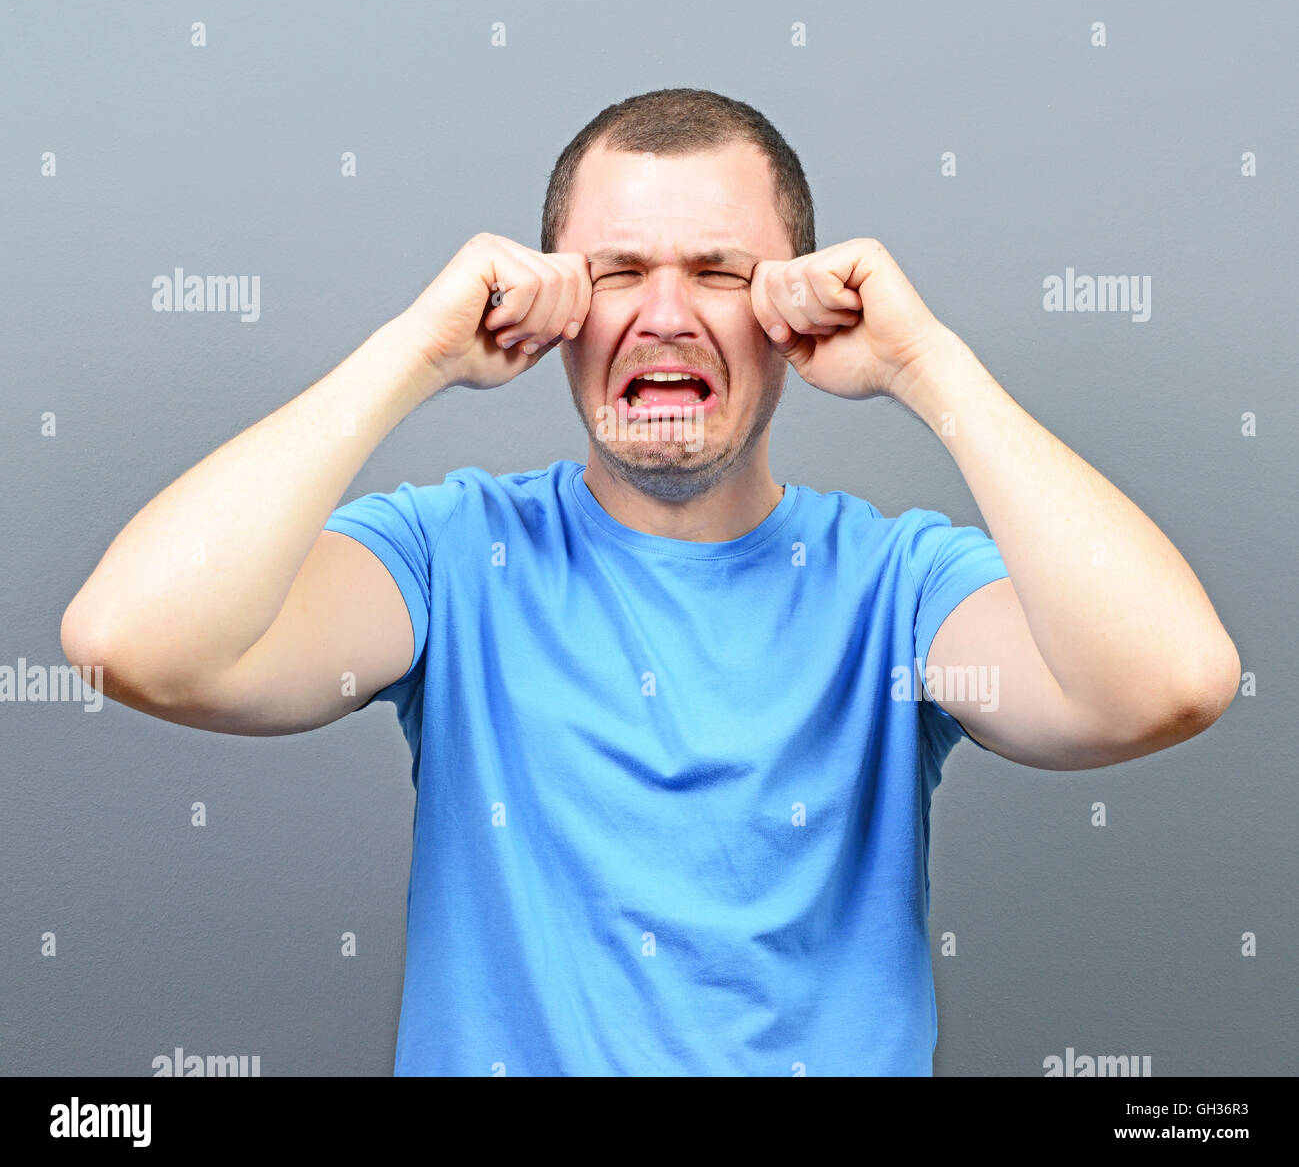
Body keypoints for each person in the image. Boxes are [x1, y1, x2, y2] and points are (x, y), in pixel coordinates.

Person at [61, 87, 1240, 1076]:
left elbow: (1171, 682)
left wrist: (931, 369)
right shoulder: (454, 557)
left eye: (722, 271)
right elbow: (133, 642)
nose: (666, 315)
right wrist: (414, 353)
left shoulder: (901, 586)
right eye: (617, 270)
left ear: (794, 307)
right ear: (554, 305)